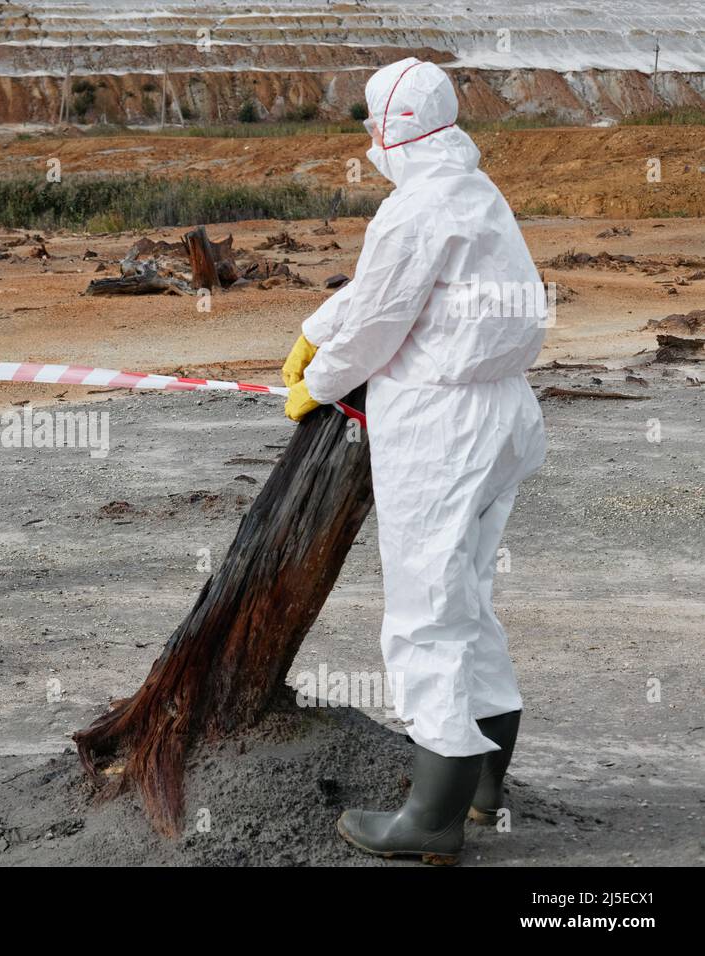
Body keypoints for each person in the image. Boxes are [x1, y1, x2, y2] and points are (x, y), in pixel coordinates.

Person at [281, 58, 548, 864]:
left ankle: (431, 817)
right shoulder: (472, 193)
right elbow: (386, 292)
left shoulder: (414, 208)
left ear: (393, 127)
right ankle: (485, 782)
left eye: (371, 120)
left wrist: (317, 378)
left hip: (443, 426)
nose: (366, 135)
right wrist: (318, 326)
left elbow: (378, 320)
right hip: (502, 413)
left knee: (426, 611)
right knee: (467, 594)